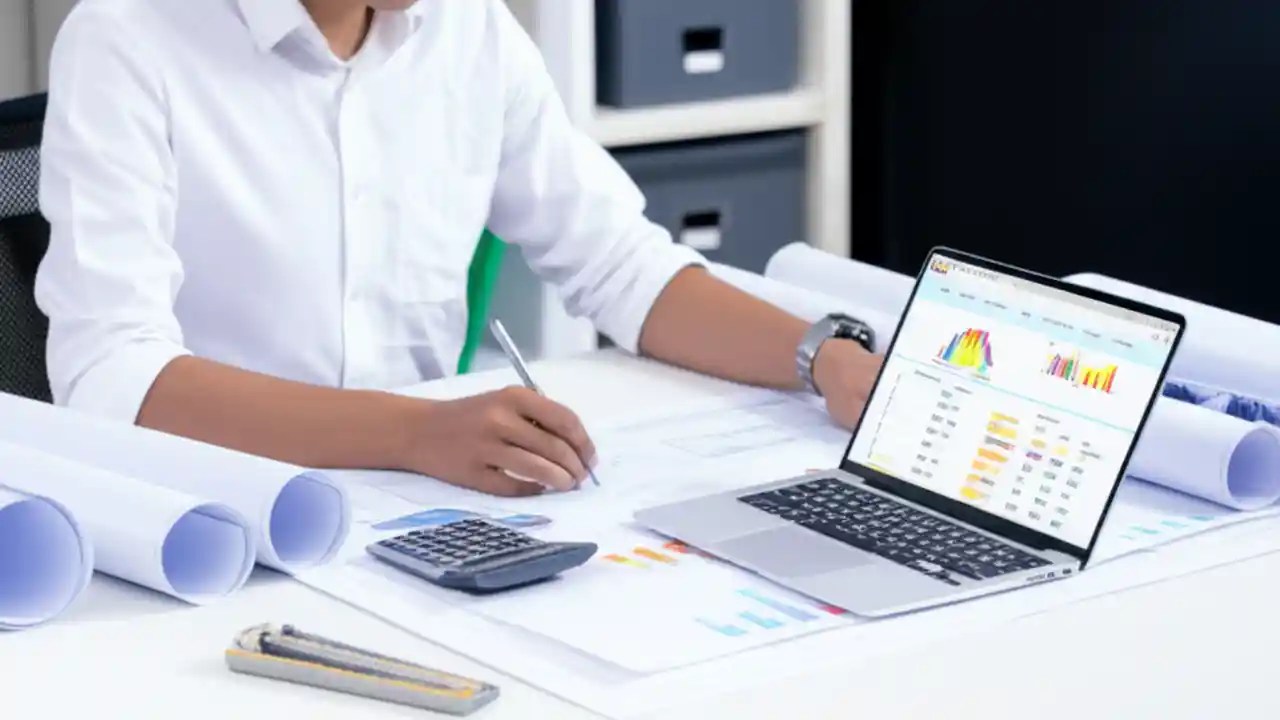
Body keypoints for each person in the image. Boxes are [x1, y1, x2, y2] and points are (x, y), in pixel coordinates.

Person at [36, 0, 883, 497]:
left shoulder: (469, 30)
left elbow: (619, 265)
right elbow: (113, 375)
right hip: (224, 515)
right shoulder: (128, 36)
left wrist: (822, 358)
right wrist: (416, 433)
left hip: (425, 514)